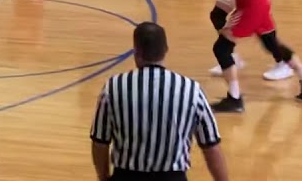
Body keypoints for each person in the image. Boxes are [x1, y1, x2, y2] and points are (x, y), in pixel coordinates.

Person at [90, 22, 229, 181]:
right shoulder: (192, 90)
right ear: (165, 50)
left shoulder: (113, 87)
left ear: (136, 51)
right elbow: (211, 147)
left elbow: (99, 142)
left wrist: (103, 177)